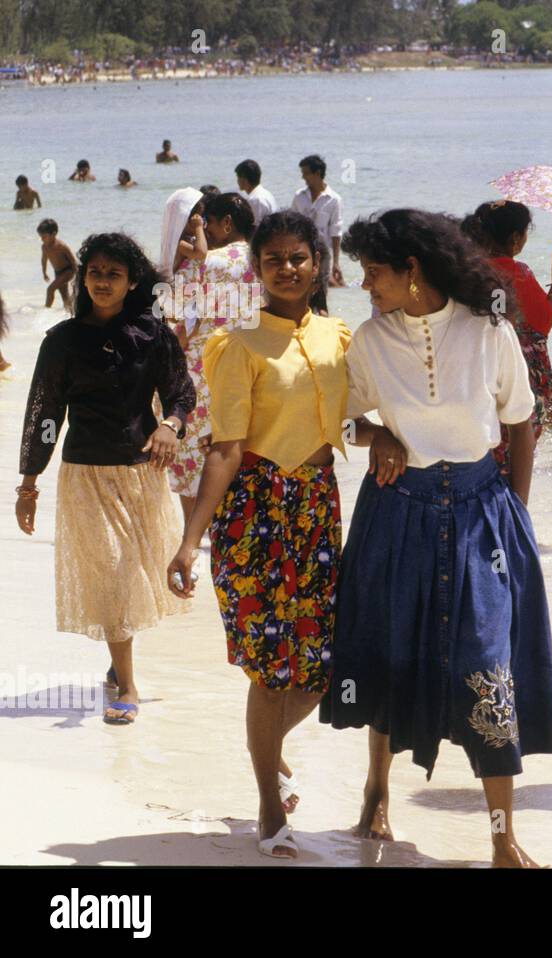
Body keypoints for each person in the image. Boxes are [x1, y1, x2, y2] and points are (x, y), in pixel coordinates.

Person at [321, 209, 552, 867]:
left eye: (374, 272)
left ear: (412, 270)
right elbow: (340, 424)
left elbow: (521, 421)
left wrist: (516, 512)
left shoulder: (488, 329)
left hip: (484, 513)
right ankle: (377, 791)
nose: (364, 284)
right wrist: (383, 435)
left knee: (488, 663)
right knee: (390, 652)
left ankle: (501, 836)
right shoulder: (369, 341)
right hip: (398, 512)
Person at [166, 211, 351, 859]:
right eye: (274, 259)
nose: (288, 268)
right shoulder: (237, 344)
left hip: (319, 512)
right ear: (257, 268)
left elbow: (362, 417)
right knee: (270, 670)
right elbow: (225, 448)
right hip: (256, 513)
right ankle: (269, 803)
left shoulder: (340, 337)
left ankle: (267, 752)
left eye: (299, 257)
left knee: (326, 663)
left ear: (319, 263)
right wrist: (192, 540)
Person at [16, 233, 195, 725]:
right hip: (86, 476)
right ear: (84, 277)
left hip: (141, 477)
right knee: (116, 573)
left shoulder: (153, 334)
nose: (101, 281)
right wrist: (28, 484)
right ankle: (129, 685)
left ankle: (118, 669)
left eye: (113, 274)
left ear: (132, 281)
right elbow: (44, 415)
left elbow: (182, 393)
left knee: (133, 579)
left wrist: (169, 425)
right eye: (95, 272)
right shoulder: (62, 341)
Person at [461, 200, 552, 470]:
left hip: (478, 373)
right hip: (520, 375)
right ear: (516, 238)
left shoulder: (469, 273)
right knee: (514, 454)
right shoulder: (519, 273)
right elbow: (543, 322)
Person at [167, 192, 257, 524]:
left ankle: (194, 539)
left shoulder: (206, 263)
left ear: (227, 223)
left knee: (192, 458)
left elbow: (176, 319)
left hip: (199, 374)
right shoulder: (265, 260)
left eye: (211, 223)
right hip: (248, 373)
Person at [291, 154, 343, 287]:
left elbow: (335, 232)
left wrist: (336, 263)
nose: (303, 177)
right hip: (300, 252)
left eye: (306, 173)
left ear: (318, 173)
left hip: (323, 253)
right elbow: (291, 225)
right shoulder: (299, 196)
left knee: (322, 291)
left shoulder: (334, 200)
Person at [159, 187, 207, 282]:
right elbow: (201, 253)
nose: (203, 222)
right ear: (184, 220)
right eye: (200, 219)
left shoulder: (189, 239)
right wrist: (199, 227)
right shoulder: (179, 244)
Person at [38, 219, 77, 313]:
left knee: (50, 289)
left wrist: (78, 276)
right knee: (65, 298)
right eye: (40, 236)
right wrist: (44, 273)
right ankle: (72, 314)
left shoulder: (61, 246)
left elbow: (73, 261)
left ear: (53, 234)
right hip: (58, 273)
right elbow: (44, 260)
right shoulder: (44, 247)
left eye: (44, 236)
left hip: (68, 271)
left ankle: (45, 313)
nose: (42, 239)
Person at [235, 158, 277, 226]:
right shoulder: (266, 193)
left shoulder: (255, 200)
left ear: (245, 179)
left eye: (238, 177)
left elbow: (255, 229)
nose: (237, 181)